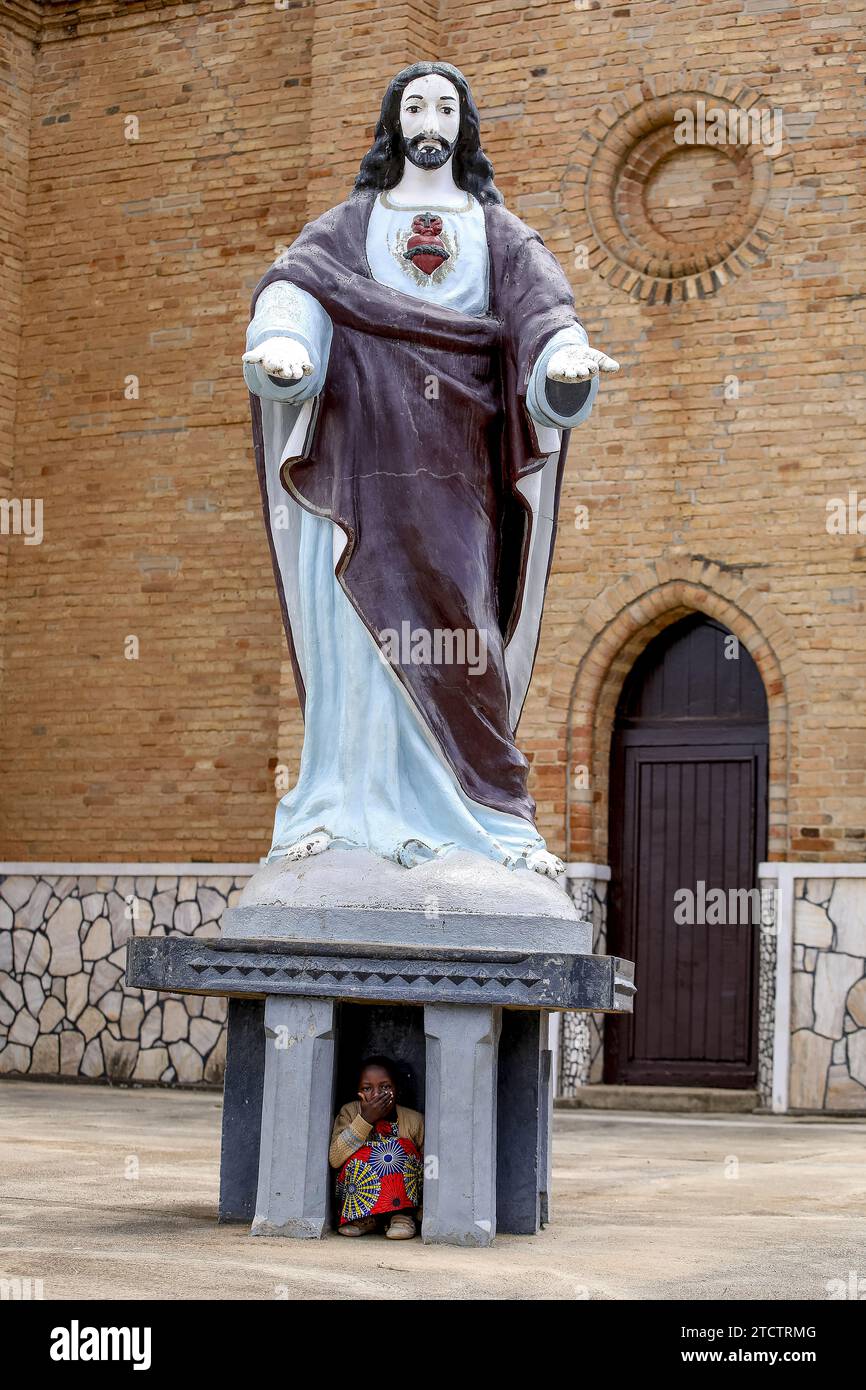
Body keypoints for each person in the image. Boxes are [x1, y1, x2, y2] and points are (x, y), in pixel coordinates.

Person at [243, 61, 619, 878]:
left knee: (461, 619)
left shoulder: (497, 230)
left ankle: (481, 816)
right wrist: (286, 345)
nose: (430, 116)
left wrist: (562, 364)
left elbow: (544, 312)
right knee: (355, 617)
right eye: (415, 103)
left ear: (463, 126)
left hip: (456, 464)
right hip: (362, 451)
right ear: (394, 120)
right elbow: (294, 286)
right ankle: (350, 807)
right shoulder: (350, 222)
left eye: (445, 105)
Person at [329, 1055, 424, 1238]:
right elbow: (335, 1158)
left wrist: (422, 1211)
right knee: (363, 1156)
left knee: (396, 1152)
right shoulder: (349, 1112)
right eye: (367, 1088)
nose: (376, 1095)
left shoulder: (414, 1120)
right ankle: (365, 1219)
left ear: (397, 1090)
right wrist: (365, 1119)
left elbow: (427, 1168)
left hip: (403, 1201)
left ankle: (401, 1217)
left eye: (385, 1087)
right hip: (360, 1200)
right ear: (357, 1091)